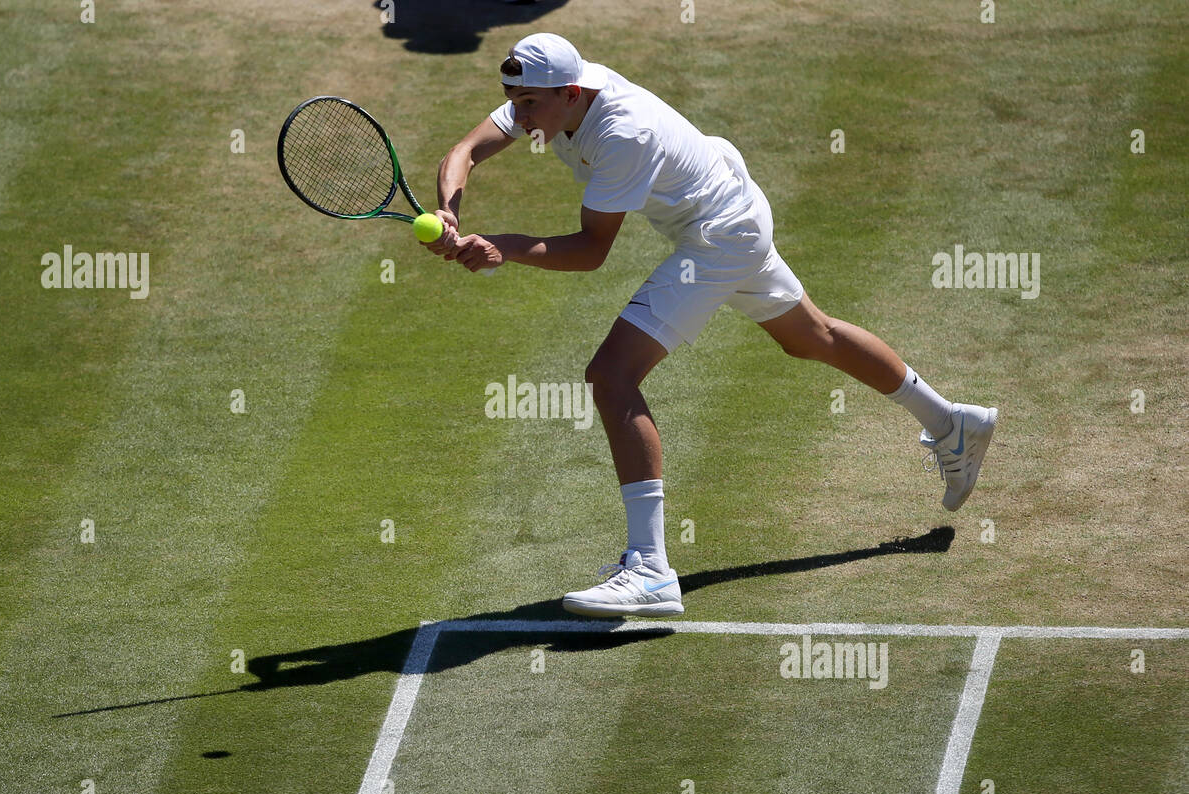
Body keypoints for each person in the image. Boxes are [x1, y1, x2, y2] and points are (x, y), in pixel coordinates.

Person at [424, 33, 997, 618]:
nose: (519, 120)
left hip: (719, 236)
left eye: (530, 107)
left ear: (571, 94)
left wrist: (503, 247)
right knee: (812, 337)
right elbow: (465, 151)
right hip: (728, 209)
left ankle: (649, 570)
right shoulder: (555, 94)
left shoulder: (623, 132)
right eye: (514, 104)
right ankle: (951, 422)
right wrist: (450, 209)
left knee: (611, 374)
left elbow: (592, 250)